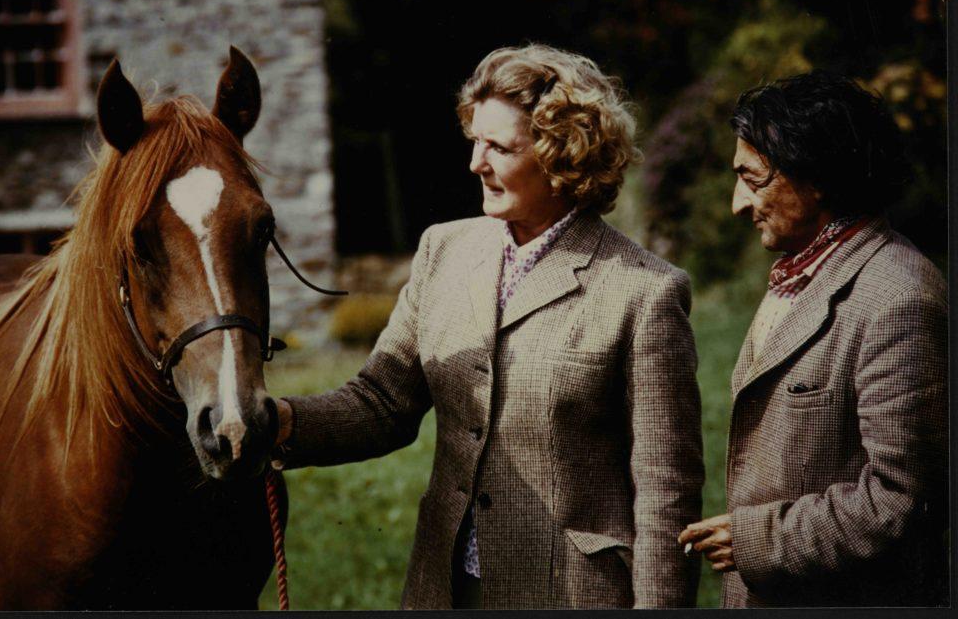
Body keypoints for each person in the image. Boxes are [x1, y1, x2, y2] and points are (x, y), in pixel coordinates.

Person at [270, 44, 704, 609]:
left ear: (562, 154)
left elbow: (665, 494)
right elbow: (381, 401)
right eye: (476, 140)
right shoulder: (442, 250)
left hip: (573, 596)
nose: (476, 163)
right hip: (443, 589)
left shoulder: (645, 293)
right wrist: (277, 422)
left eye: (499, 147)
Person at [678, 70, 948, 607]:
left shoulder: (898, 299)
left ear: (817, 176)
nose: (736, 204)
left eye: (753, 179)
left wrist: (757, 538)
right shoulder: (805, 270)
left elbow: (905, 500)